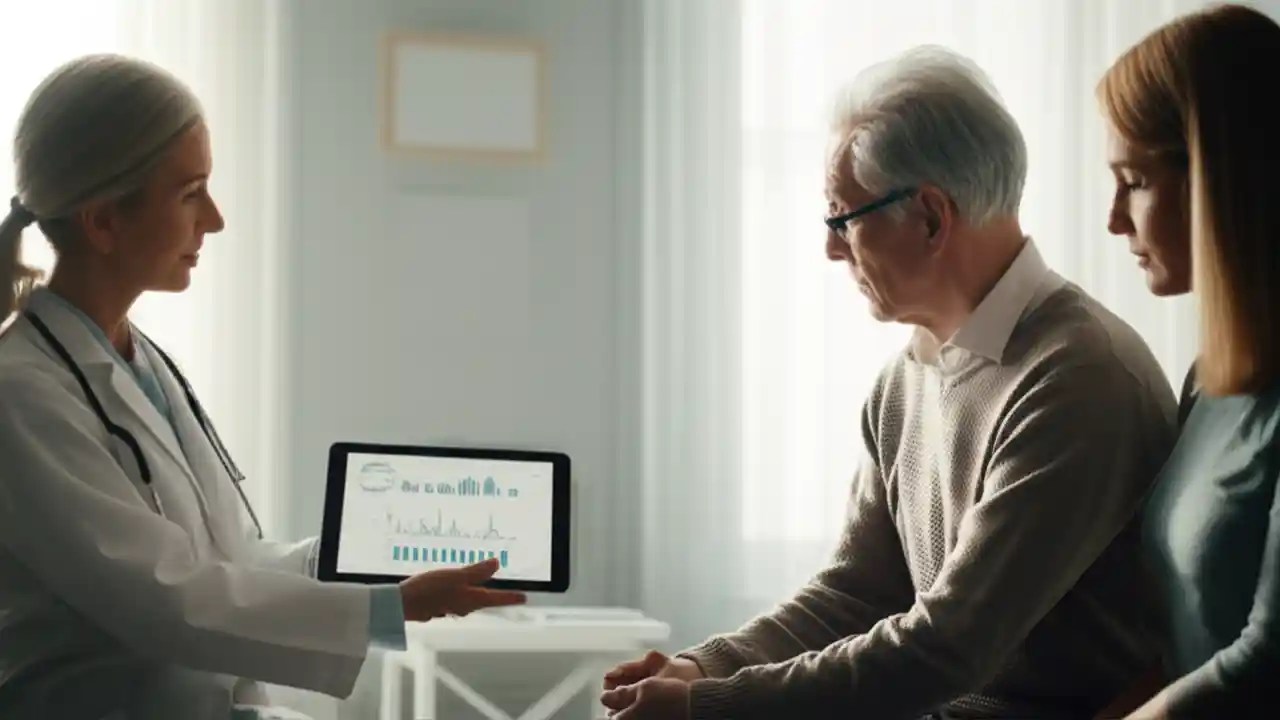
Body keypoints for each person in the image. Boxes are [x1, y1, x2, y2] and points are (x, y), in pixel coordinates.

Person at [601, 46, 1177, 719]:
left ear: (930, 217)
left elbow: (949, 647)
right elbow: (857, 593)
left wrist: (710, 705)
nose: (832, 248)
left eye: (843, 218)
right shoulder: (904, 380)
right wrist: (703, 666)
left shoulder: (1078, 378)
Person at [0, 54, 524, 720]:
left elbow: (227, 560)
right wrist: (391, 609)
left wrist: (357, 558)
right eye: (190, 193)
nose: (214, 220)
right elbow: (168, 601)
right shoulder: (21, 392)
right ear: (103, 221)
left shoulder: (138, 361)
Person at [1095, 5, 1280, 717]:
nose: (1115, 219)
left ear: (1219, 176)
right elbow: (1174, 650)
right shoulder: (1210, 378)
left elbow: (1264, 662)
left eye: (1133, 180)